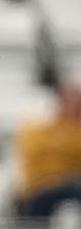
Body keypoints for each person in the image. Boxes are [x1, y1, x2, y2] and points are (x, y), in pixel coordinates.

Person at [14, 81, 81, 220]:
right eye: (71, 100)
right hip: (40, 190)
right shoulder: (39, 129)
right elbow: (32, 155)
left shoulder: (76, 132)